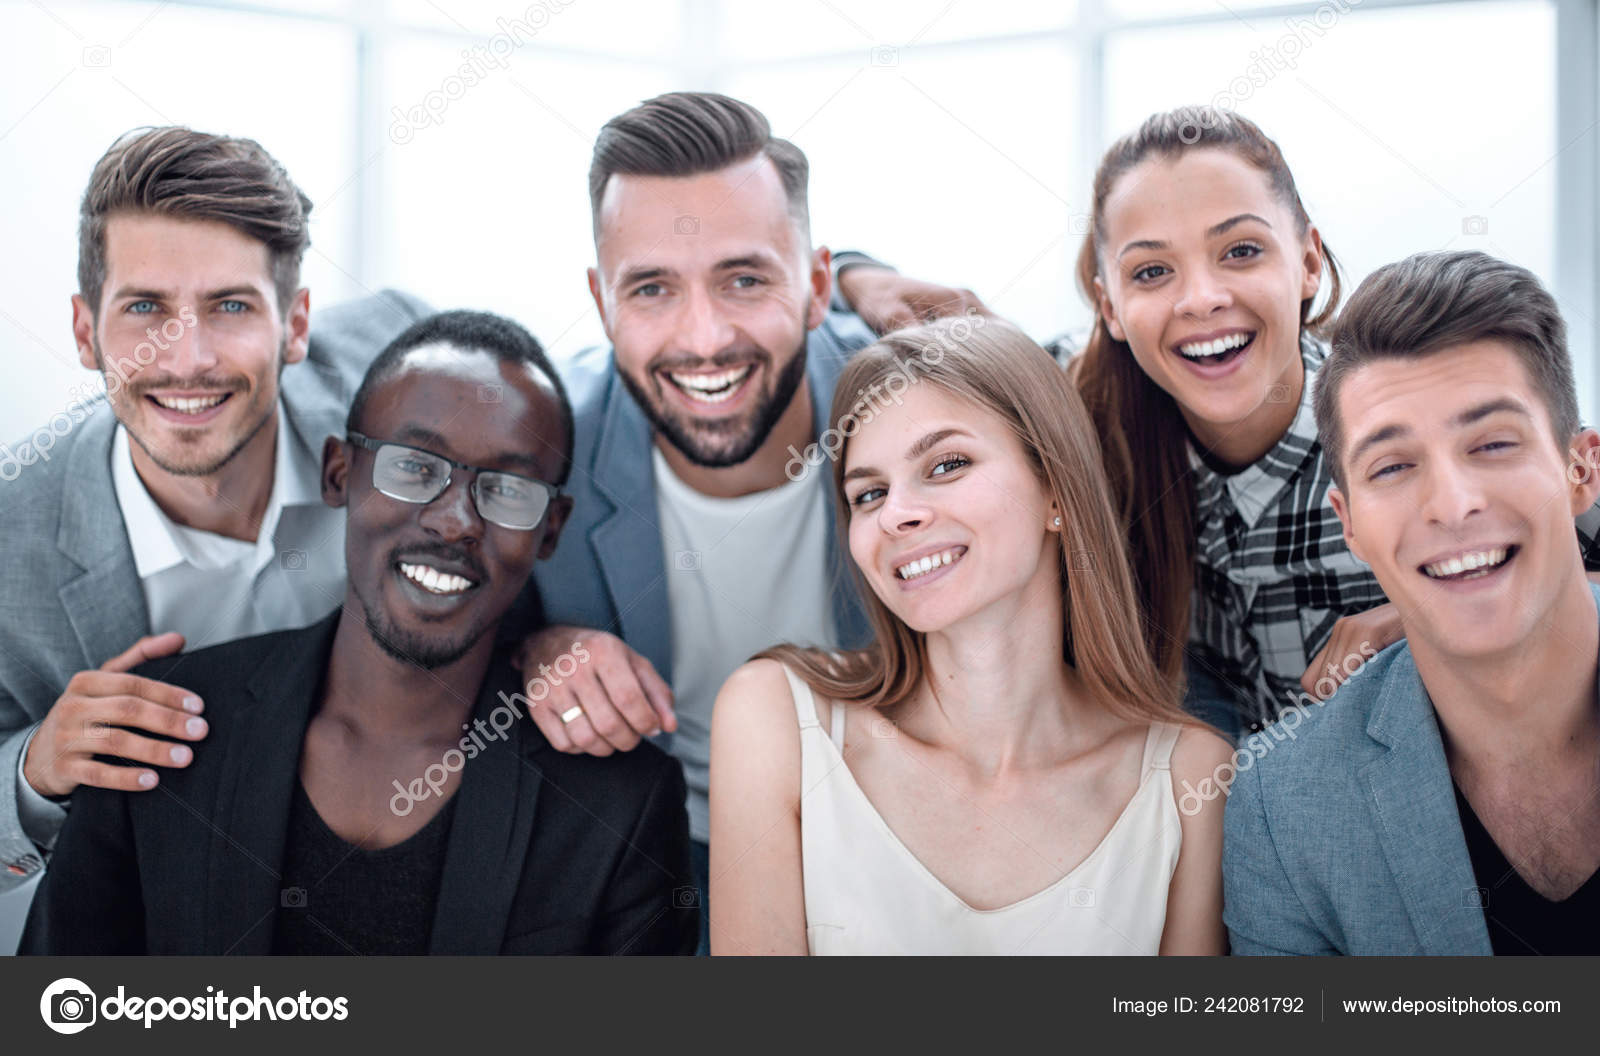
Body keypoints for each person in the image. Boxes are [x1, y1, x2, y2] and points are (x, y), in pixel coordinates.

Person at [19, 311, 698, 955]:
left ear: (549, 529)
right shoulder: (157, 732)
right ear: (340, 472)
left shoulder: (623, 805)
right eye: (414, 468)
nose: (456, 520)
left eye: (508, 491)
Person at [516, 91, 989, 951]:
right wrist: (534, 651)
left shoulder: (925, 408)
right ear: (601, 301)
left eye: (744, 279)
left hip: (917, 841)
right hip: (662, 867)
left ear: (814, 284)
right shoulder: (544, 442)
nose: (704, 338)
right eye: (651, 288)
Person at [1064, 106, 1600, 741]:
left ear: (1309, 263)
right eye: (1152, 271)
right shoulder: (1093, 439)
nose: (1201, 297)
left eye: (1240, 251)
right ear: (1110, 307)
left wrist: (1423, 611)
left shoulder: (1402, 415)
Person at [708, 317, 1231, 955]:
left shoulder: (1190, 778)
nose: (897, 513)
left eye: (947, 464)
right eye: (868, 494)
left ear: (1056, 492)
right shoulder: (774, 720)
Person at [0, 126, 429, 890]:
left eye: (230, 305)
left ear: (294, 324)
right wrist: (35, 769)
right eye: (144, 308)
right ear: (84, 330)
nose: (187, 358)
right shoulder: (10, 535)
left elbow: (549, 461)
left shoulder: (404, 365)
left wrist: (552, 636)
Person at [1223, 251, 1600, 955]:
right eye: (1393, 466)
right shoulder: (1284, 813)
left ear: (1582, 470)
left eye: (1491, 443)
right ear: (1350, 523)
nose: (1453, 504)